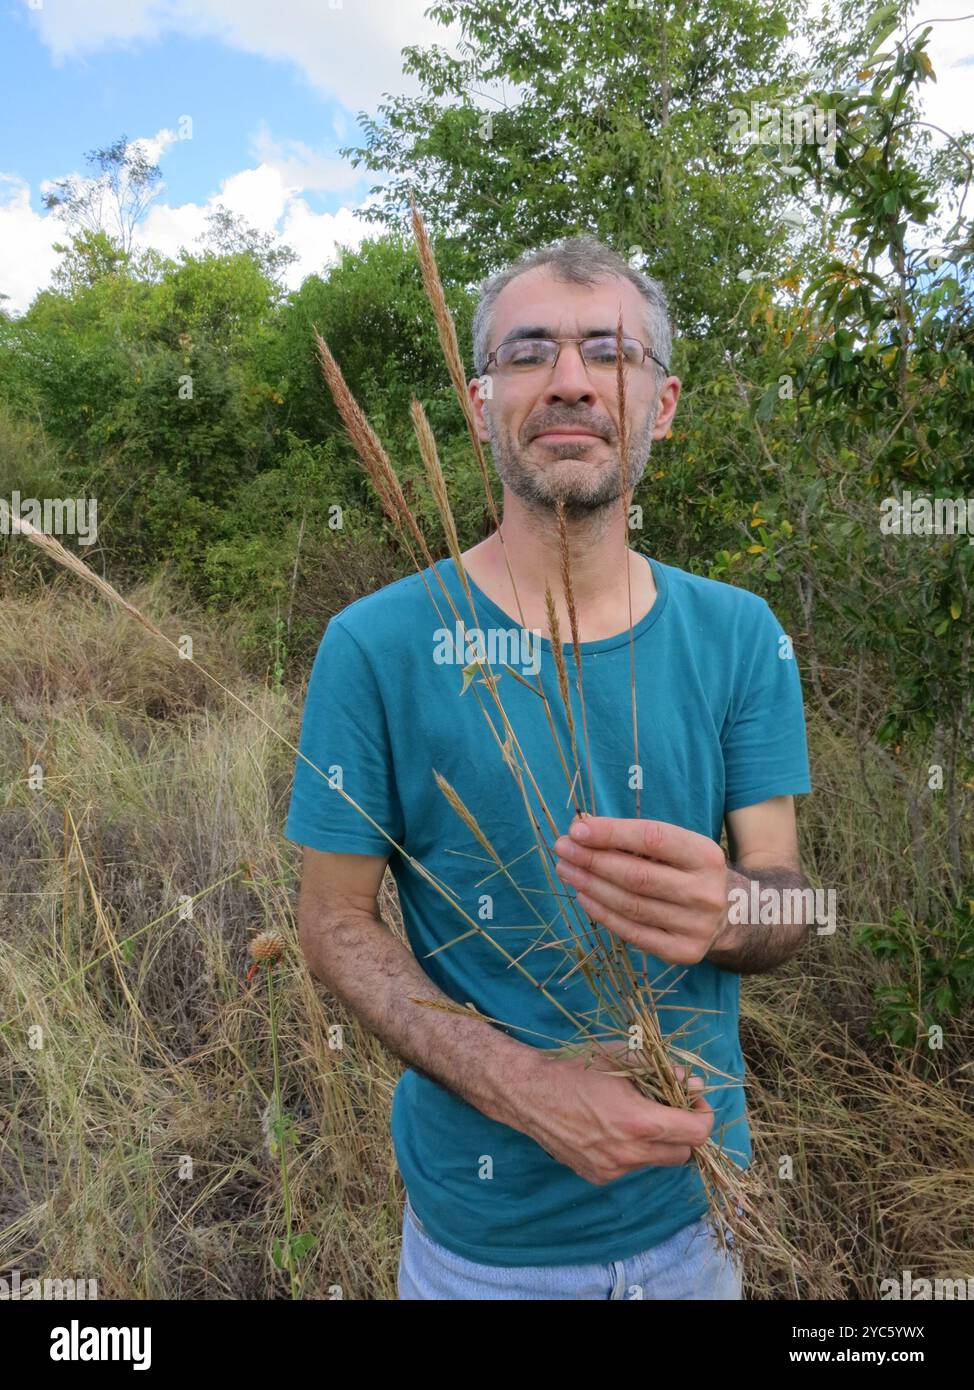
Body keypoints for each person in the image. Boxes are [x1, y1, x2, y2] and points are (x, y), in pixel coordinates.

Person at [285, 234, 813, 1300]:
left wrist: (732, 910)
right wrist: (520, 1086)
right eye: (528, 354)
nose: (568, 380)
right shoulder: (375, 643)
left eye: (607, 352)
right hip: (485, 1249)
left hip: (700, 1218)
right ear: (481, 401)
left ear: (659, 403)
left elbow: (791, 892)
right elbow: (334, 920)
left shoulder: (740, 635)